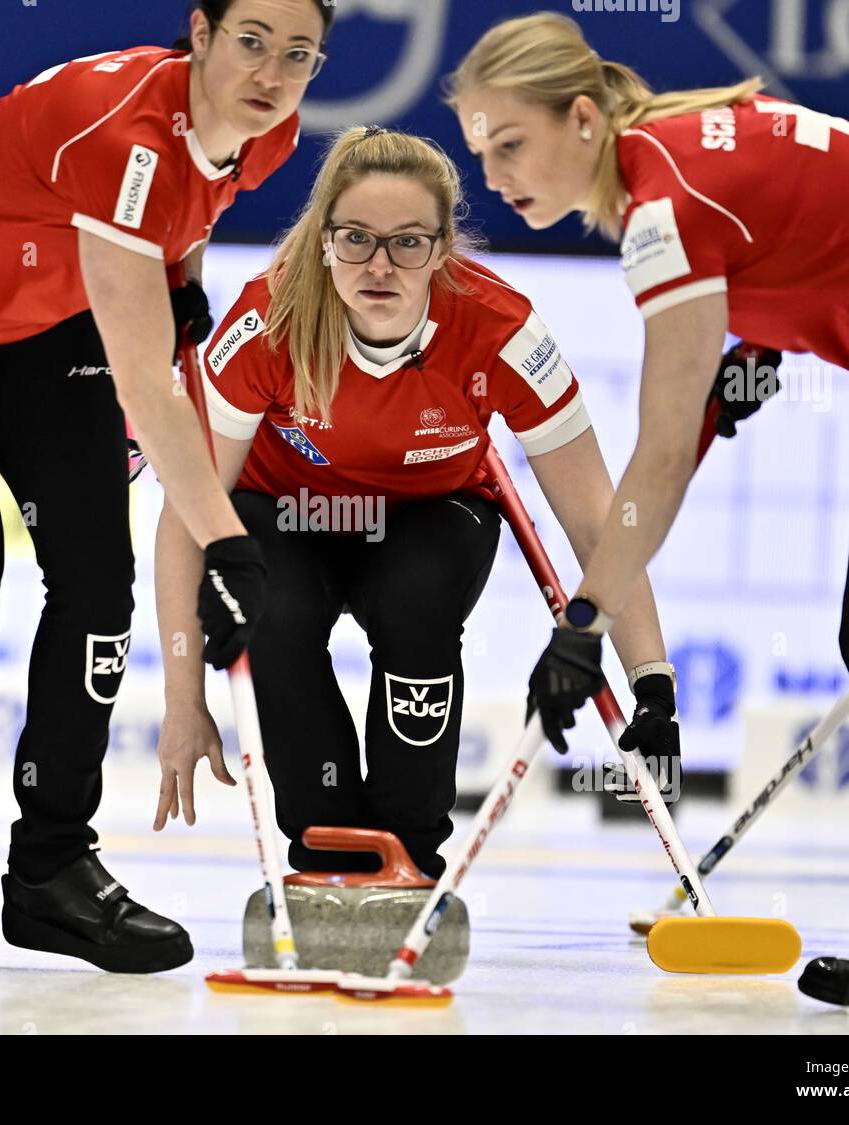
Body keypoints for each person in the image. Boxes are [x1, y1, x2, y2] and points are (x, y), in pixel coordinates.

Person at [449, 11, 849, 1010]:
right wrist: (759, 354)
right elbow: (822, 217)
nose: (495, 176)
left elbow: (659, 455)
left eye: (511, 144)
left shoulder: (663, 210)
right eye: (481, 152)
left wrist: (583, 623)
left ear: (580, 120)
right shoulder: (681, 151)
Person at [0, 0, 336, 973]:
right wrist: (227, 544)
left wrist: (184, 287)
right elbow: (146, 383)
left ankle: (52, 869)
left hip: (49, 313)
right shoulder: (125, 136)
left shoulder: (268, 135)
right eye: (252, 41)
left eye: (298, 53)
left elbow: (182, 230)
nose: (271, 72)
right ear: (200, 34)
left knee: (99, 586)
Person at [152, 126, 678, 879]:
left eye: (407, 243)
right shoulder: (266, 321)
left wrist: (652, 681)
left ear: (442, 249)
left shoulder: (501, 329)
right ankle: (328, 846)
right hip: (287, 515)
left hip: (432, 517)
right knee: (276, 607)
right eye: (358, 239)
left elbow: (598, 517)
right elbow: (186, 510)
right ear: (326, 239)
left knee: (417, 598)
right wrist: (182, 700)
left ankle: (406, 853)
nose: (379, 265)